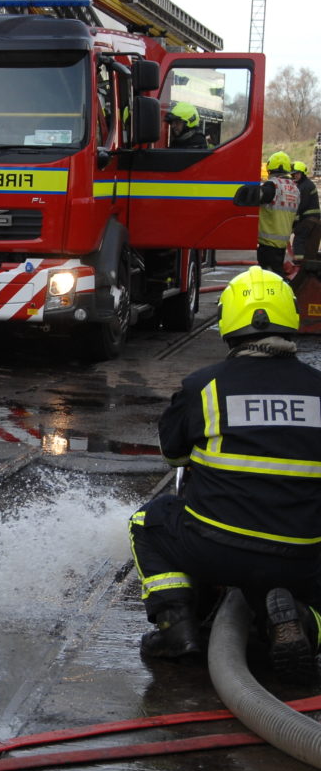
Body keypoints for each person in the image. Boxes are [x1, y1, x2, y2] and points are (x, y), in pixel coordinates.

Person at [128, 266, 321, 683]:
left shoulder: (204, 386)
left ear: (228, 322)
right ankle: (302, 621)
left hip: (214, 550)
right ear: (291, 318)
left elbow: (173, 456)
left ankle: (176, 625)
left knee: (148, 521)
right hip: (301, 559)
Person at [233, 151, 300, 276]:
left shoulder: (273, 185)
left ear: (270, 169)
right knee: (276, 274)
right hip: (281, 244)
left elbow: (260, 195)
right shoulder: (295, 189)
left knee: (271, 278)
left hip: (268, 244)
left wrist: (243, 191)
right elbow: (295, 219)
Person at [290, 160, 321, 259]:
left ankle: (298, 263)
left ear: (303, 173)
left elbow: (300, 205)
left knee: (299, 240)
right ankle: (307, 263)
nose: (295, 176)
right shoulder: (305, 184)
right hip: (313, 220)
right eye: (294, 174)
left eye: (297, 173)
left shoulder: (305, 186)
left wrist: (294, 223)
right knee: (309, 243)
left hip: (308, 219)